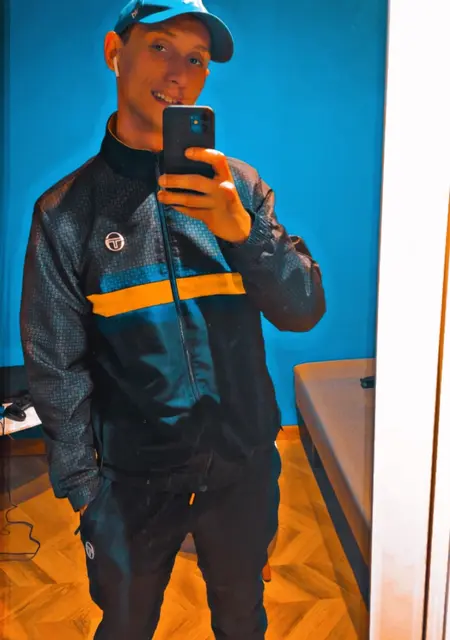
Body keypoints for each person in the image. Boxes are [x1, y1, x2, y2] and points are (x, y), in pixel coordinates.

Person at [20, 1, 326, 638]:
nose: (178, 73)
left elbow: (303, 310)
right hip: (129, 485)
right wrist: (85, 491)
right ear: (116, 54)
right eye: (160, 47)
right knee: (126, 626)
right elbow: (56, 364)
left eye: (197, 59)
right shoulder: (66, 213)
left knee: (242, 618)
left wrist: (243, 235)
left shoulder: (239, 189)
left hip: (242, 469)